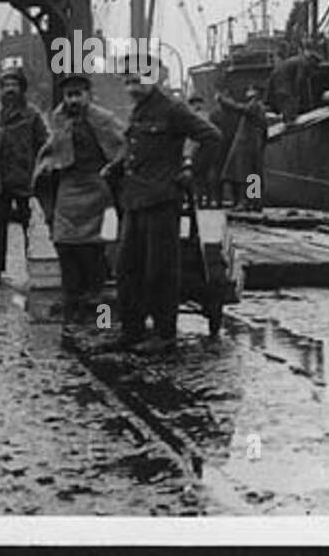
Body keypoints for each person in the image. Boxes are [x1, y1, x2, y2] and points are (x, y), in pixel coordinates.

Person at [102, 59, 221, 355]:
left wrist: (191, 172)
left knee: (160, 270)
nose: (132, 85)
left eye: (137, 78)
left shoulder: (173, 108)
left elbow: (211, 137)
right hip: (135, 200)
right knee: (128, 269)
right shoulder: (139, 110)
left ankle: (165, 334)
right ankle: (132, 331)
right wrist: (114, 168)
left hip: (161, 199)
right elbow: (135, 150)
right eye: (127, 79)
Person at [32, 73, 125, 319]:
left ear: (88, 95)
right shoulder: (58, 119)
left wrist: (112, 169)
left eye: (78, 94)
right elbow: (52, 149)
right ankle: (71, 294)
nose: (73, 100)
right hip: (68, 186)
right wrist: (46, 168)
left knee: (94, 245)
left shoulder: (104, 119)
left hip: (97, 186)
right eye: (69, 95)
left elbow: (121, 145)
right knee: (64, 240)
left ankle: (95, 295)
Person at [0, 68, 48, 284]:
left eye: (14, 85)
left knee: (32, 228)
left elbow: (43, 146)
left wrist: (40, 174)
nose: (9, 90)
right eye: (6, 85)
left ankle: (35, 269)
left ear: (22, 88)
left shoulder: (33, 115)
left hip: (25, 179)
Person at [217, 84, 269, 212]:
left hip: (247, 143)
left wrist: (222, 100)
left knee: (243, 172)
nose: (247, 91)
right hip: (254, 142)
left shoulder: (254, 105)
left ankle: (245, 201)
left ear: (255, 92)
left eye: (250, 89)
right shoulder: (260, 107)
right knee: (253, 172)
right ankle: (255, 202)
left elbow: (239, 108)